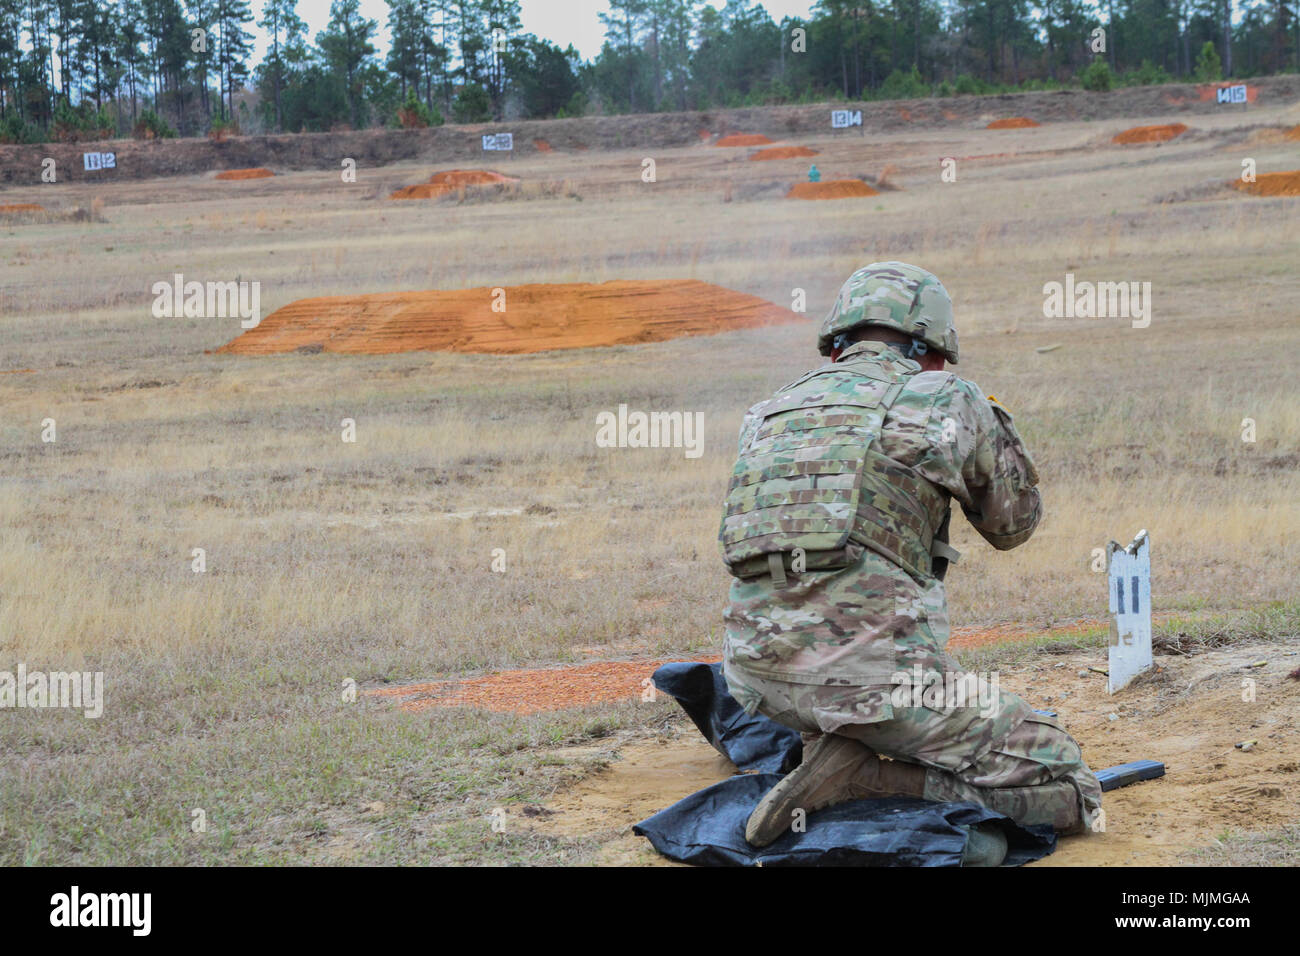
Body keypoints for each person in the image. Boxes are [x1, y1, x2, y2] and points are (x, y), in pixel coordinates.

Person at [718, 261, 1102, 864]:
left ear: (838, 340)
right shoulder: (944, 397)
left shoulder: (768, 411)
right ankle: (871, 780)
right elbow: (1013, 526)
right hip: (878, 688)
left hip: (754, 681)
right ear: (933, 346)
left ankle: (837, 750)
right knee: (1073, 789)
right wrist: (987, 423)